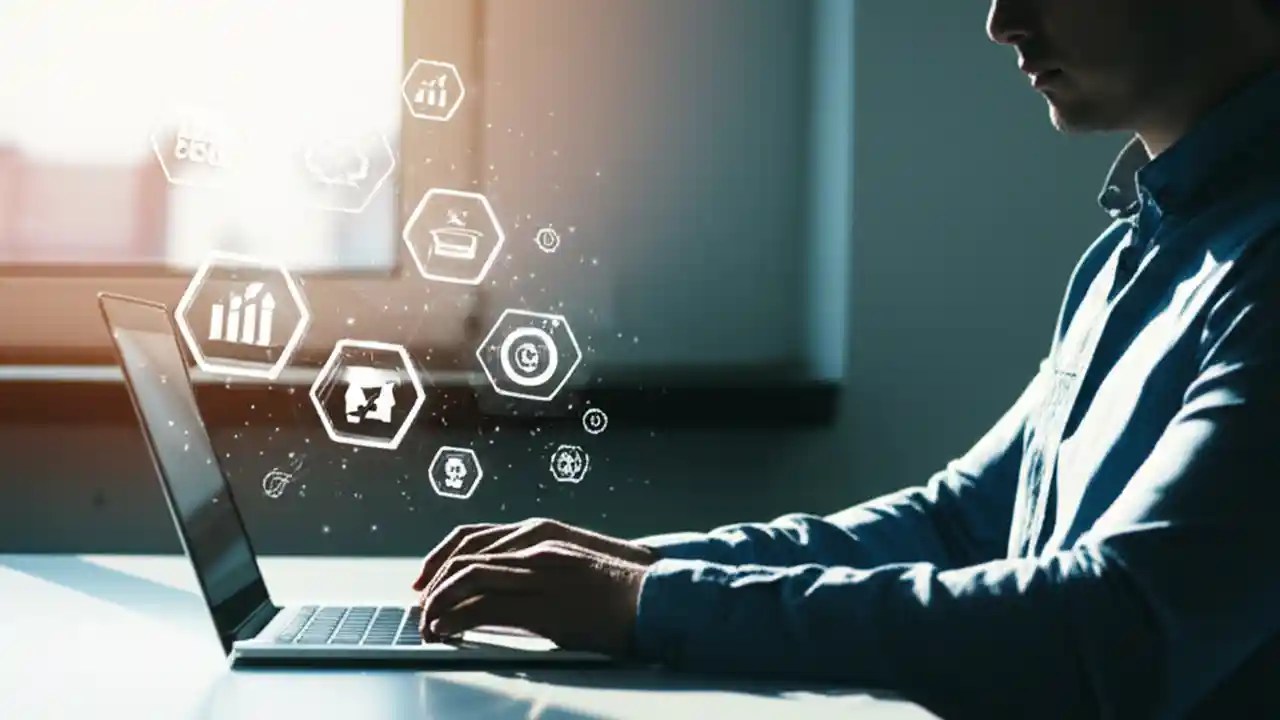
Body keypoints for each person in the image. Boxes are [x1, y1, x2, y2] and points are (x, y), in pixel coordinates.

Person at [412, 1, 1280, 717]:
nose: (1001, 20)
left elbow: (1112, 629)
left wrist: (648, 605)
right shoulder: (1140, 245)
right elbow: (960, 525)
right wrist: (638, 570)